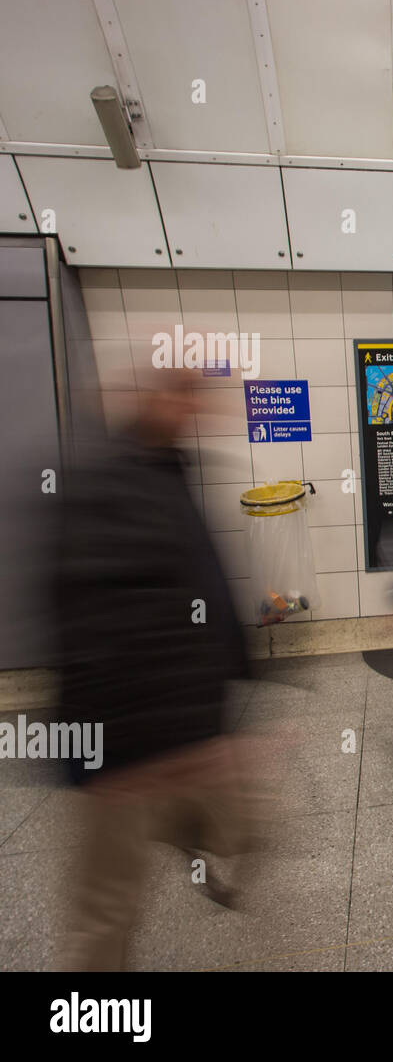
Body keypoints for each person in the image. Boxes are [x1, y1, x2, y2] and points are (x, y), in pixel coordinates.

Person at [53, 369, 261, 969]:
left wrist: (227, 704)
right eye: (179, 394)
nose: (191, 408)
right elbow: (94, 626)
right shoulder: (103, 485)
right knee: (106, 911)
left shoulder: (171, 471)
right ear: (141, 399)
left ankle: (184, 833)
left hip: (187, 727)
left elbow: (200, 592)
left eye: (195, 396)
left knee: (246, 832)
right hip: (121, 747)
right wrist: (130, 746)